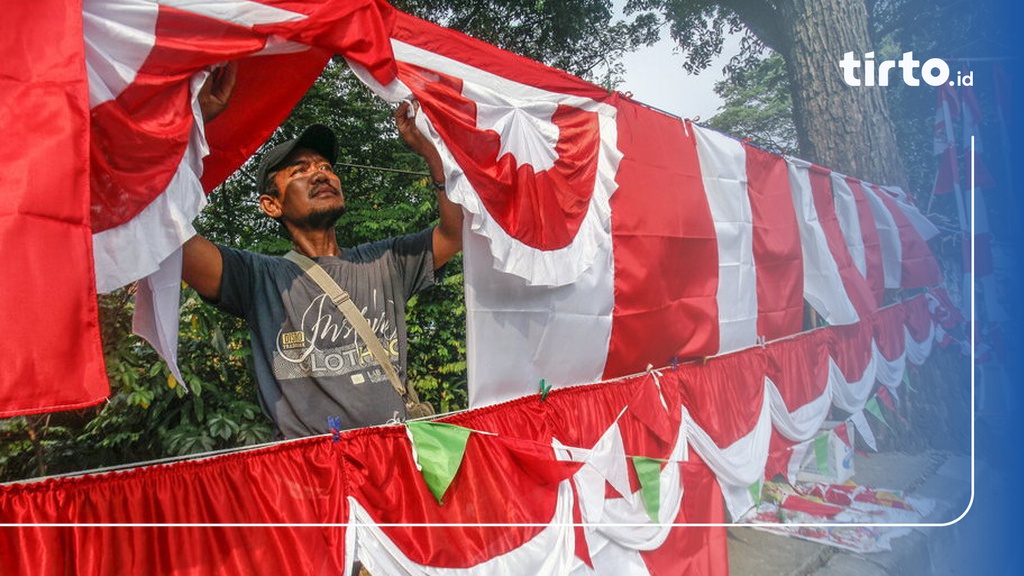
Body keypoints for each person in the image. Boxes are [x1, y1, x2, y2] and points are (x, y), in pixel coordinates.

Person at [184, 64, 463, 439]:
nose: (321, 174)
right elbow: (168, 239)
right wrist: (189, 125)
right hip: (314, 478)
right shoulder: (257, 278)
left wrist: (431, 152)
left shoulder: (387, 262)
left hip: (394, 466)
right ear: (271, 204)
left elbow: (455, 231)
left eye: (326, 166)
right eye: (299, 170)